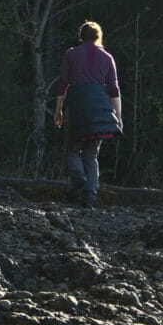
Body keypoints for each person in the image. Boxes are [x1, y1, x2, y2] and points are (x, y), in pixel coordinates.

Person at [52, 21, 122, 207]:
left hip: (77, 105)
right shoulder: (107, 57)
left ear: (81, 36)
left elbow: (63, 84)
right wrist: (118, 117)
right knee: (91, 155)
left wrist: (58, 110)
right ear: (98, 36)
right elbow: (114, 90)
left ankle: (78, 176)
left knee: (73, 150)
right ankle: (89, 197)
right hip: (100, 109)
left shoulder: (71, 54)